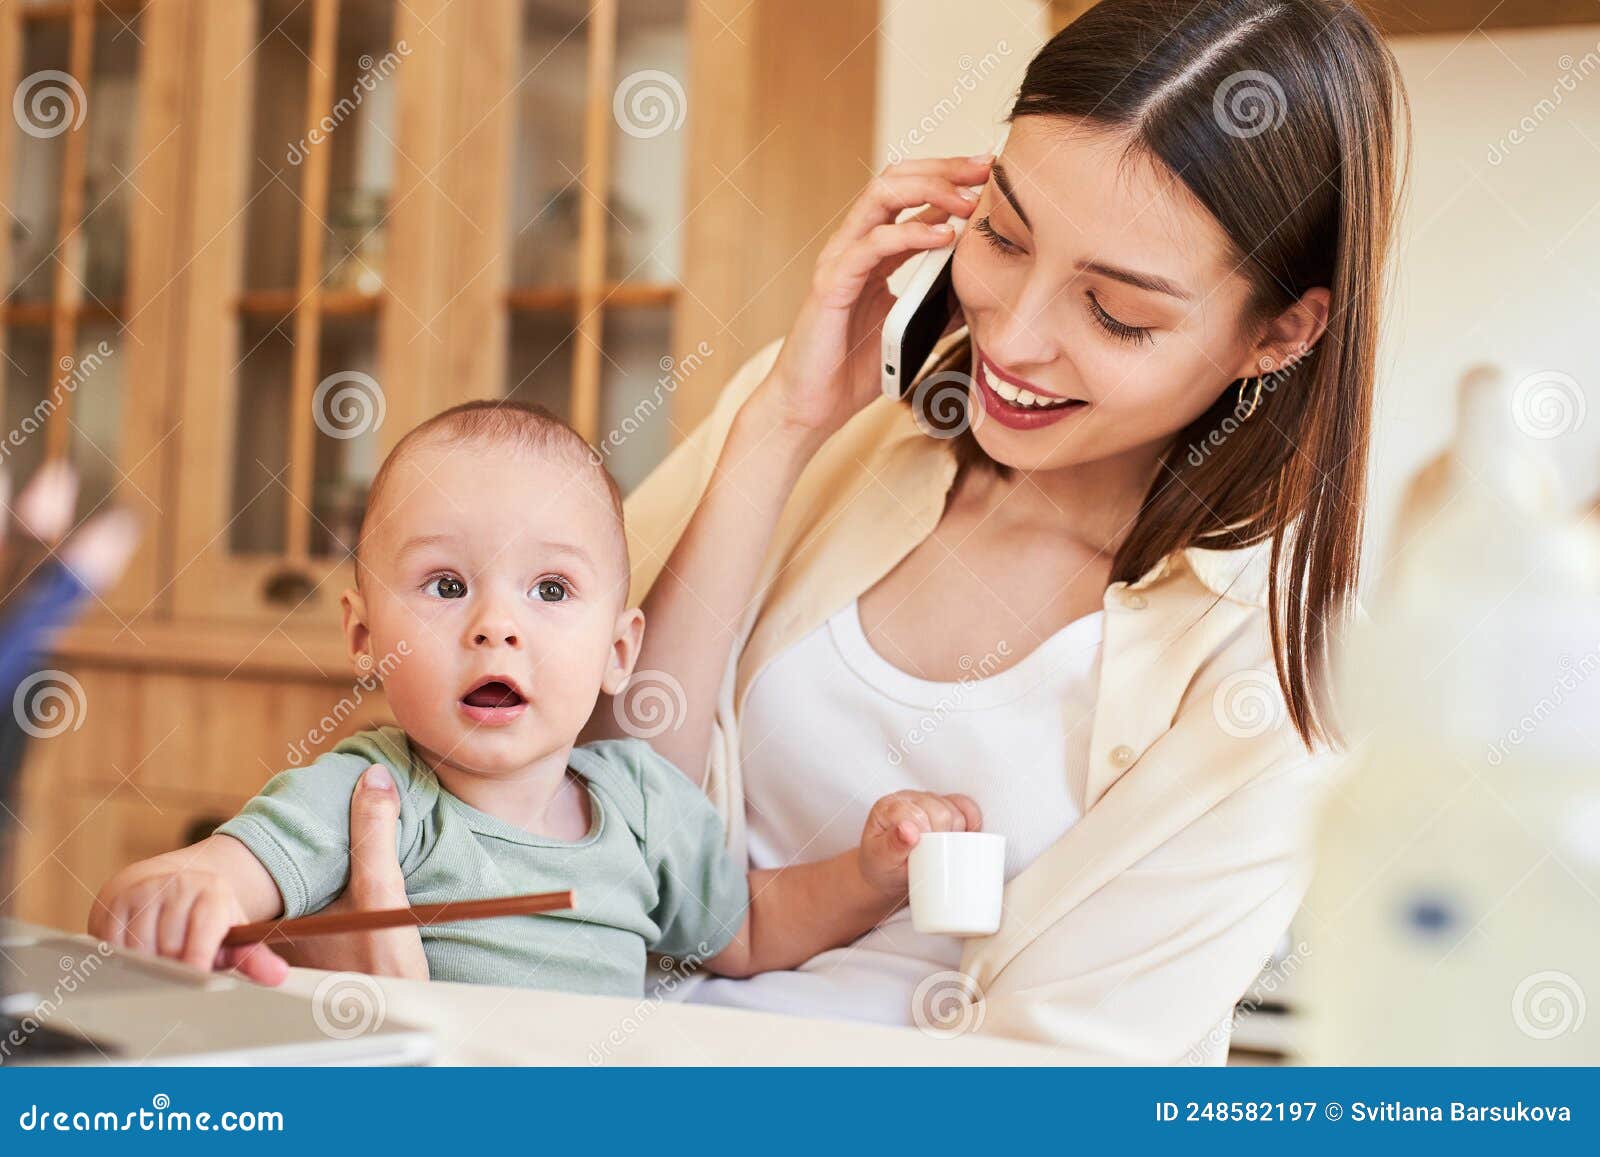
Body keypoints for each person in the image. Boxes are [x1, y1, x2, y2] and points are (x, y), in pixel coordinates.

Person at [88, 402, 979, 993]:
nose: (495, 625)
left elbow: (747, 928)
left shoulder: (640, 803)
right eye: (444, 585)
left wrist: (867, 876)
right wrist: (184, 885)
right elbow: (234, 868)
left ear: (619, 649)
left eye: (549, 590)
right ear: (362, 634)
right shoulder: (372, 792)